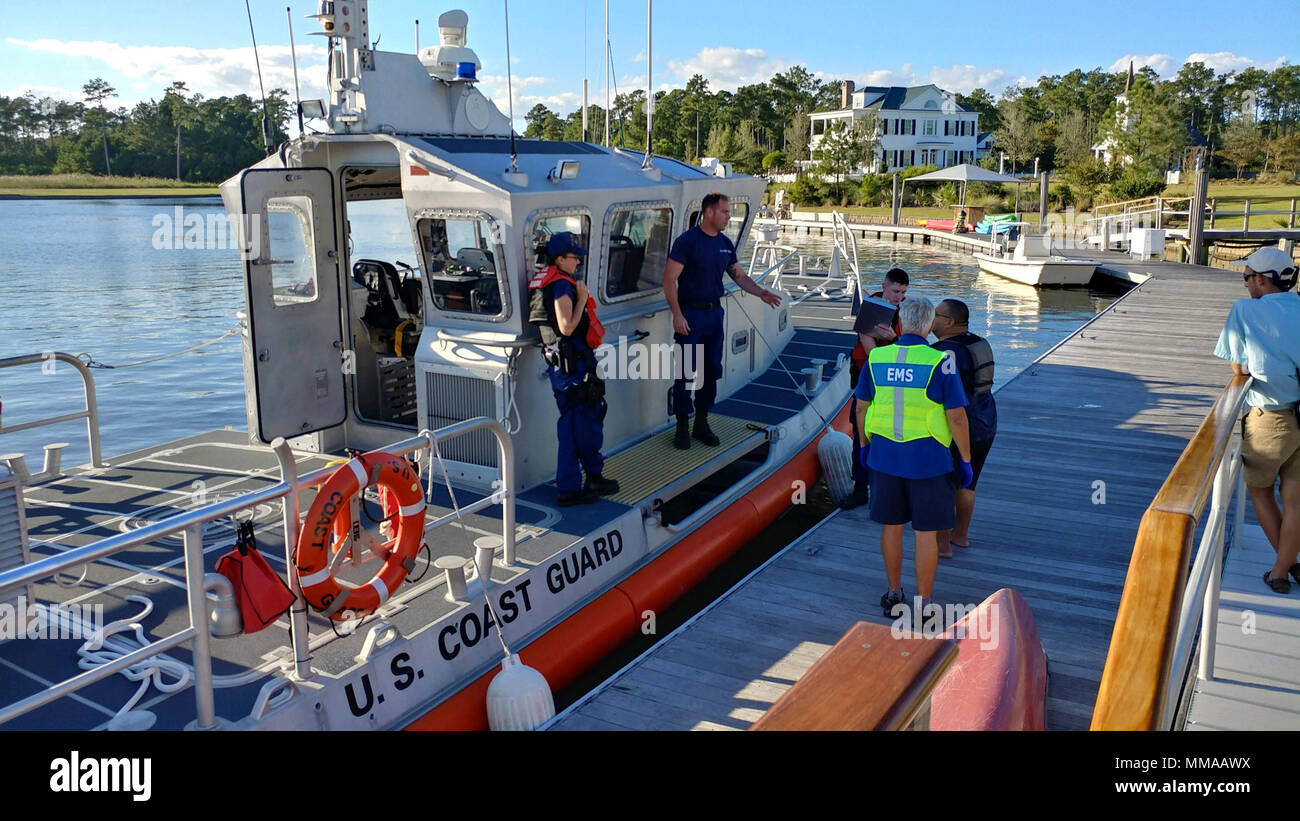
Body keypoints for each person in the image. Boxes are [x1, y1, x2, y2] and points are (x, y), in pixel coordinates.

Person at [856, 296, 972, 628]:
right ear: (927, 326)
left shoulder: (877, 357)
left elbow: (862, 408)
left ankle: (894, 593)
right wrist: (965, 460)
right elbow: (957, 417)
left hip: (884, 457)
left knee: (891, 528)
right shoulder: (941, 362)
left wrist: (865, 446)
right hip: (929, 461)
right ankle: (923, 604)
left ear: (901, 323)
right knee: (925, 533)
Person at [664, 192, 782, 449]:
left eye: (729, 212)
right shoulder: (687, 242)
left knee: (710, 371)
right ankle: (682, 426)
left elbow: (739, 277)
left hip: (714, 315)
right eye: (725, 212)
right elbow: (669, 279)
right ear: (709, 213)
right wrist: (677, 314)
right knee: (685, 371)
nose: (729, 216)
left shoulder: (725, 244)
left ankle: (701, 423)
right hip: (690, 314)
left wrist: (760, 292)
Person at [1212, 247, 1300, 593]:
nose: (1245, 283)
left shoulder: (1245, 310)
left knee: (1260, 491)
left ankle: (1281, 570)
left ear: (1262, 280)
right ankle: (1288, 563)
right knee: (1295, 500)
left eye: (1247, 277)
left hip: (1271, 416)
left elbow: (1237, 366)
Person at [528, 233, 620, 506]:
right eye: (573, 257)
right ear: (559, 259)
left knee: (570, 427)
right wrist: (581, 298)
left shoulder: (550, 281)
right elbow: (567, 326)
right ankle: (592, 478)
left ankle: (569, 486)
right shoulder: (561, 287)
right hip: (575, 368)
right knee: (588, 420)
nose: (578, 261)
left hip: (563, 368)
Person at [931, 299, 997, 557]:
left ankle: (942, 545)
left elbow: (945, 397)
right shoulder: (980, 343)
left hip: (959, 427)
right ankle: (961, 536)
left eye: (935, 315)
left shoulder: (945, 352)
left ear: (949, 322)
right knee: (968, 484)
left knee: (944, 486)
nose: (931, 319)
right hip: (986, 421)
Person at [842, 268, 908, 509]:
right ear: (884, 286)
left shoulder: (905, 311)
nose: (898, 296)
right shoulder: (872, 309)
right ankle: (860, 487)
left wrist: (893, 340)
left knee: (892, 432)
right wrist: (892, 341)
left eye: (902, 292)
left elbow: (910, 346)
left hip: (893, 379)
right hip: (868, 376)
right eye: (894, 291)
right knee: (861, 431)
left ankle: (889, 484)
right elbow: (870, 351)